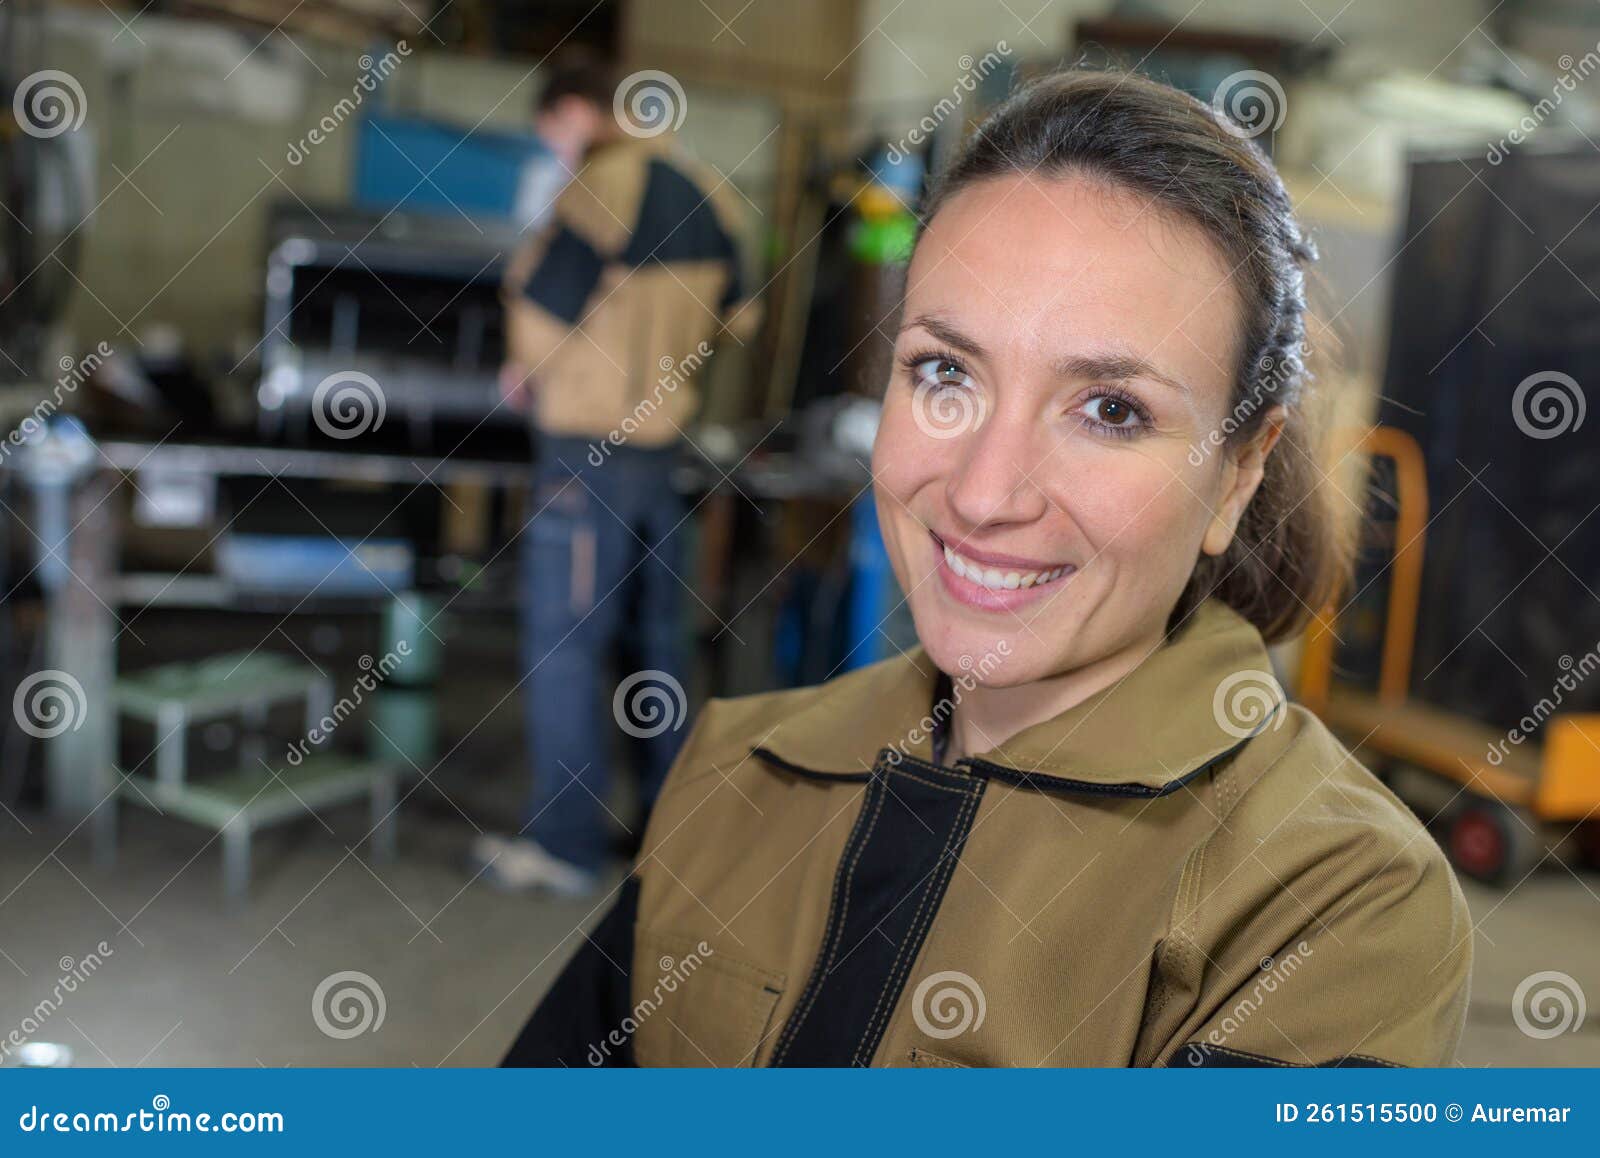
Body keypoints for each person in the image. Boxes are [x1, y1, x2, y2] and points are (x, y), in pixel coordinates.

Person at [502, 68, 1473, 1067]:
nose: (982, 492)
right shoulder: (736, 771)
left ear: (1237, 473)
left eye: (1110, 409)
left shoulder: (1330, 899)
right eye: (944, 372)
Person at [474, 54, 759, 896]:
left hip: (583, 455)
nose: (556, 150)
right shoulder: (710, 188)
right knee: (657, 647)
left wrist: (537, 370)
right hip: (663, 452)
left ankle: (565, 847)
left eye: (554, 132)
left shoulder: (600, 188)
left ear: (579, 112)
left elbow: (536, 317)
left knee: (563, 644)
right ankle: (668, 846)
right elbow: (742, 315)